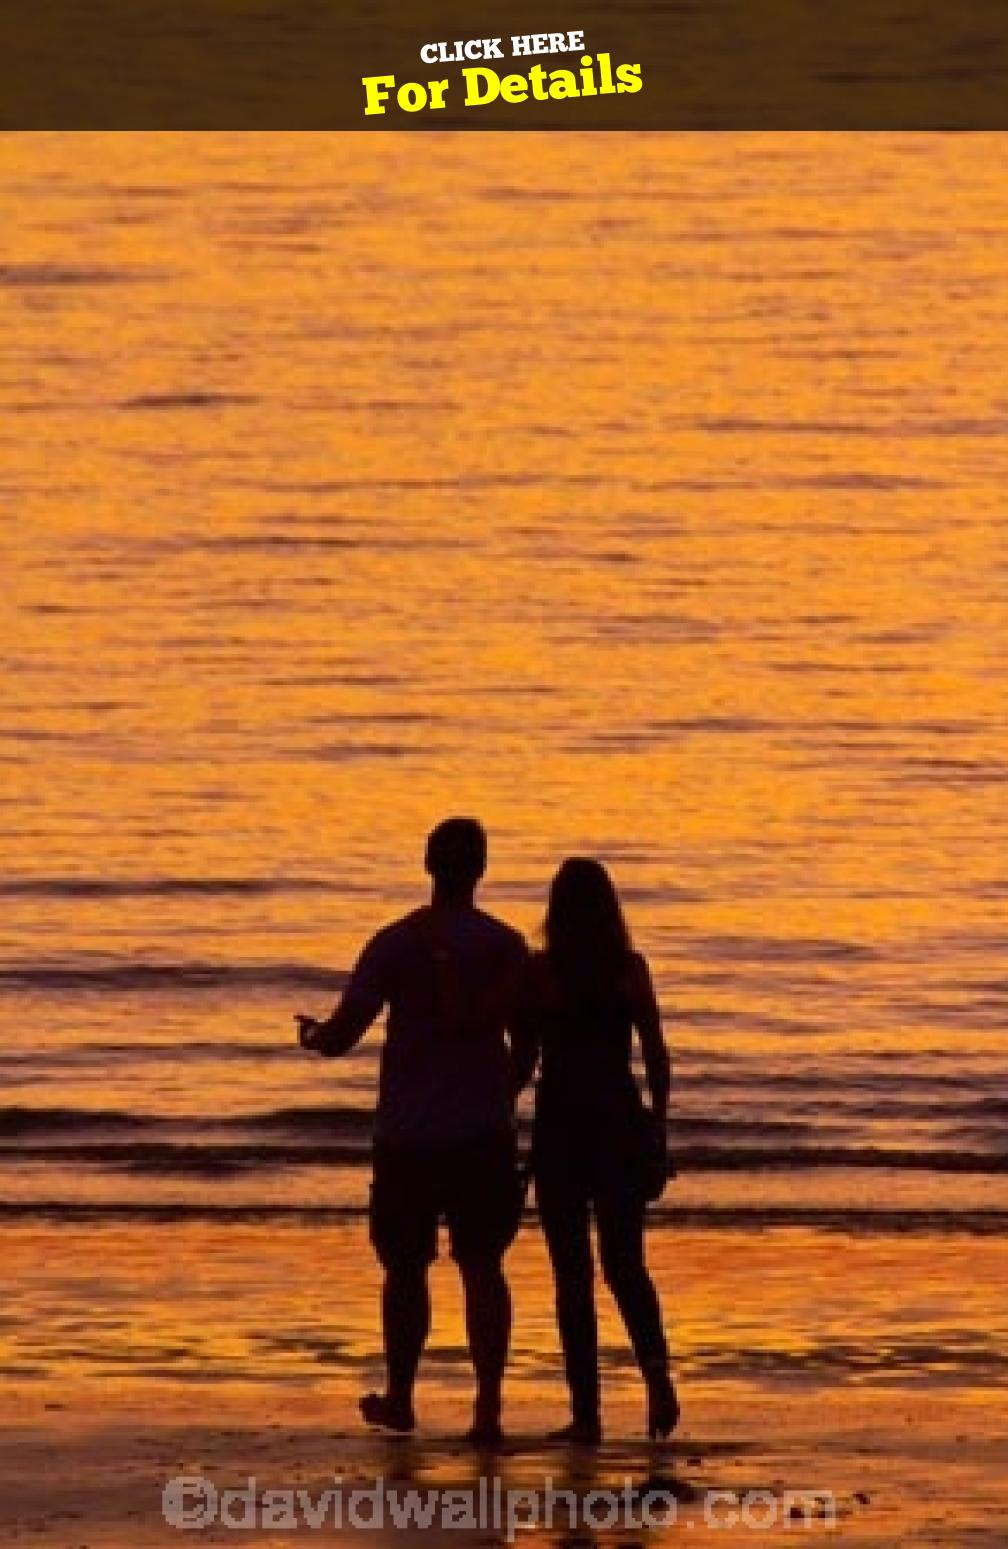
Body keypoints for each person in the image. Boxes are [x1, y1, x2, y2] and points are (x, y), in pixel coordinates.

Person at [296, 818, 528, 1444]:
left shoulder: (395, 943)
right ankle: (488, 1407)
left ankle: (401, 1396)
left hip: (409, 1133)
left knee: (405, 1269)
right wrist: (503, 1097)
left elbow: (345, 1034)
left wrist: (313, 1036)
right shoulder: (506, 946)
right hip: (482, 1130)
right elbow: (527, 1044)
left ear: (428, 864)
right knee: (482, 1267)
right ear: (481, 868)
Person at [511, 857, 678, 1444]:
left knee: (572, 1277)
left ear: (554, 910)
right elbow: (656, 1057)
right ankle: (657, 1378)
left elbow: (522, 1063)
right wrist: (658, 1125)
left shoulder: (540, 974)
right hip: (617, 1128)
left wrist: (493, 1117)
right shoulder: (629, 970)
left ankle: (587, 1415)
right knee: (625, 1266)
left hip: (560, 1131)